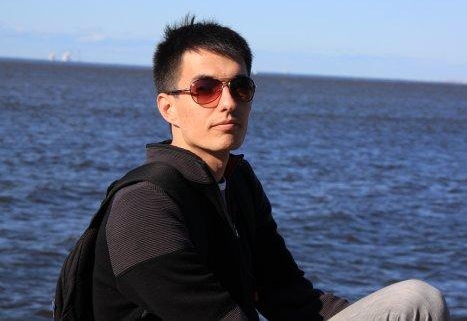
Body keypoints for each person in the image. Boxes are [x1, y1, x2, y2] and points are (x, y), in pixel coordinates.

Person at [92, 16, 450, 320]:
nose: (227, 103)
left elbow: (288, 296)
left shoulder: (237, 183)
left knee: (414, 303)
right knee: (417, 300)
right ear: (168, 108)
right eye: (205, 89)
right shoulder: (144, 206)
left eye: (240, 87)